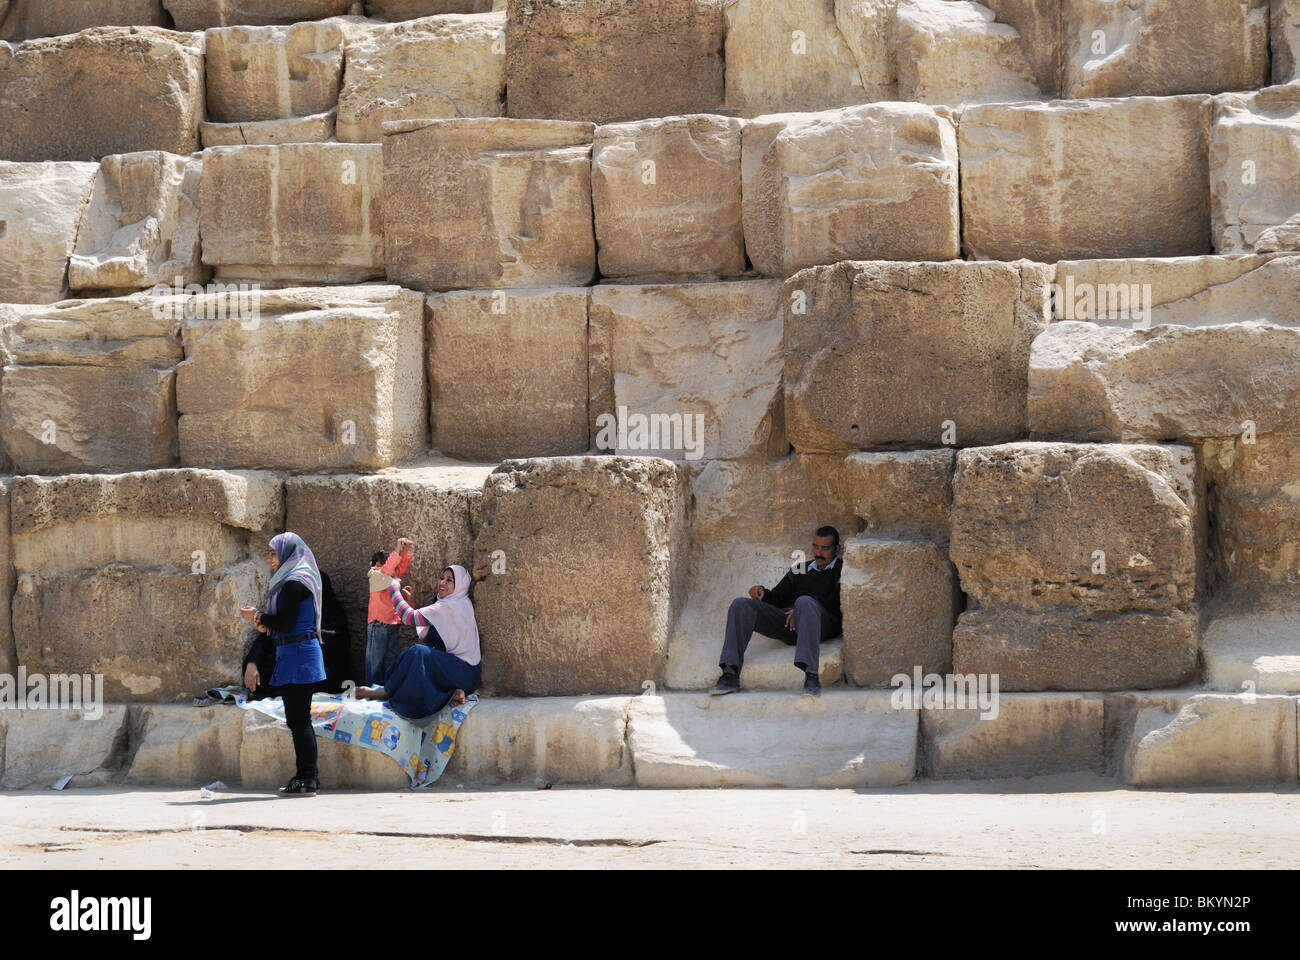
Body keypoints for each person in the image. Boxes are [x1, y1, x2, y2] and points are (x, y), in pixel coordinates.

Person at [240, 532, 327, 796]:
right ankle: (307, 776)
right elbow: (283, 623)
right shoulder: (296, 579)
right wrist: (263, 621)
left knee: (299, 720)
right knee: (298, 719)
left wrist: (256, 615)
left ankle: (307, 778)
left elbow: (285, 623)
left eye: (273, 552)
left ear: (288, 552)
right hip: (295, 653)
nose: (269, 559)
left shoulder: (293, 583)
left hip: (299, 655)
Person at [712, 525, 843, 698]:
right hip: (790, 624)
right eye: (815, 546)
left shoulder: (843, 570)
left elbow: (838, 604)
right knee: (740, 605)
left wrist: (801, 609)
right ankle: (730, 673)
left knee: (804, 602)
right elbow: (778, 598)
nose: (818, 552)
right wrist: (763, 593)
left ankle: (811, 676)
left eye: (825, 548)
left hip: (820, 624)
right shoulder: (800, 569)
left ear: (836, 549)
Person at [355, 565, 481, 721]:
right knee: (419, 665)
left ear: (460, 585)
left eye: (449, 580)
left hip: (463, 673)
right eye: (441, 578)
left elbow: (409, 617)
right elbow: (434, 629)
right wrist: (414, 605)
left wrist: (392, 588)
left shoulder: (449, 606)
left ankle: (385, 691)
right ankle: (449, 695)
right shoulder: (461, 602)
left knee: (417, 652)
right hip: (462, 674)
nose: (442, 583)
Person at [244, 568, 352, 699]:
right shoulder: (293, 610)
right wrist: (252, 663)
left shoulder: (332, 611)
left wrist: (302, 634)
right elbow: (265, 638)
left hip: (322, 669)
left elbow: (339, 640)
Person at [365, 538, 414, 688]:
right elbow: (388, 570)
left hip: (393, 625)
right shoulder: (375, 576)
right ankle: (371, 695)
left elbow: (399, 569)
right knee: (375, 663)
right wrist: (397, 550)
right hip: (378, 624)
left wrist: (404, 552)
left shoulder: (391, 577)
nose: (396, 570)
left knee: (391, 662)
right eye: (377, 565)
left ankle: (387, 693)